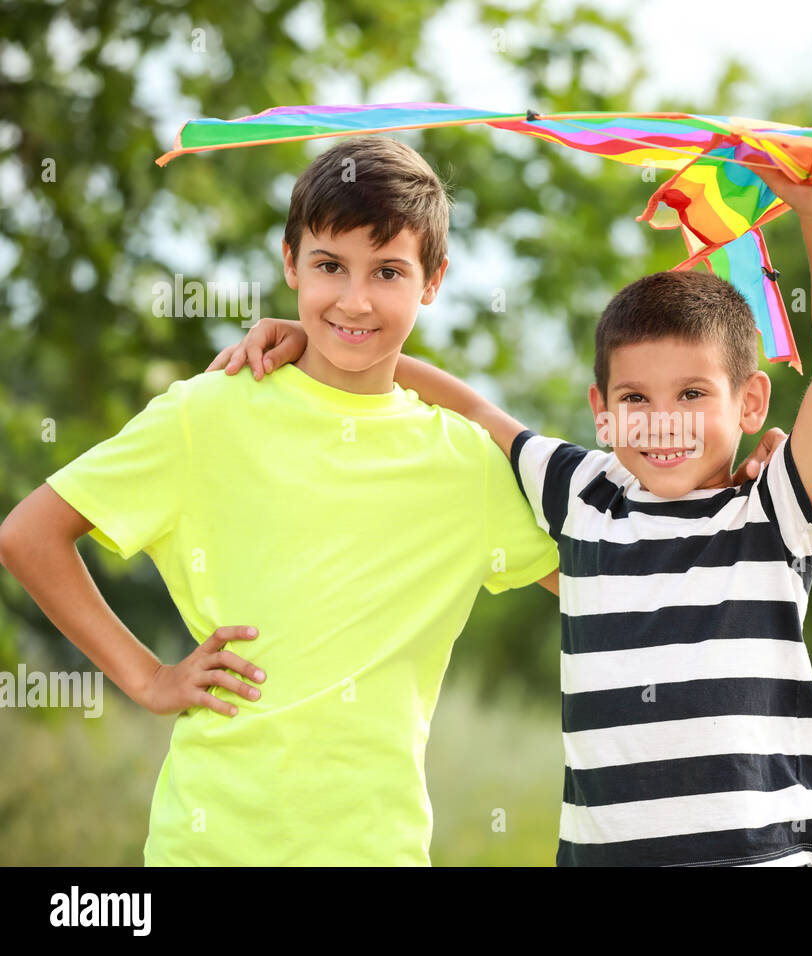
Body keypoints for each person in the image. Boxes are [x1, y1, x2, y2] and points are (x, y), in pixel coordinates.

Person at [214, 162, 812, 866]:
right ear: (601, 412)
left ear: (749, 403)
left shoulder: (771, 514)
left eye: (692, 395)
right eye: (635, 399)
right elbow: (473, 408)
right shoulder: (583, 494)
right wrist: (322, 340)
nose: (662, 422)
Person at [0, 135, 568, 865]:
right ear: (289, 261)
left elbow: (598, 573)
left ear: (434, 281)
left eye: (389, 272)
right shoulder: (208, 413)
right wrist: (148, 677)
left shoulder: (465, 466)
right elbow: (29, 534)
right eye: (330, 266)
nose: (355, 299)